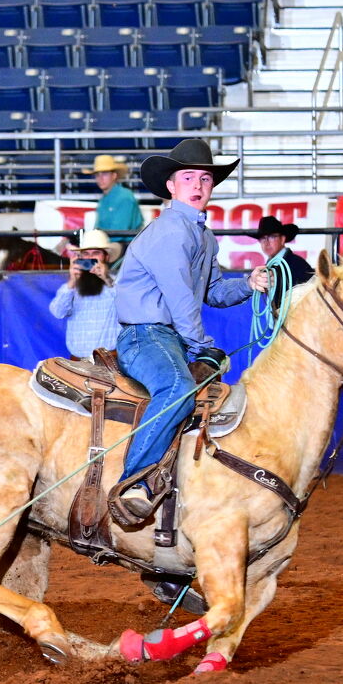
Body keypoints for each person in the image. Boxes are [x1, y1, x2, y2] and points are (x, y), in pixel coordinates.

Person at [108, 139, 270, 524]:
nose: (198, 185)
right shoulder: (171, 232)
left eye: (205, 178)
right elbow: (181, 299)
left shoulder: (202, 235)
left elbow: (212, 291)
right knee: (178, 388)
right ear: (171, 186)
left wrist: (249, 283)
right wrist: (204, 346)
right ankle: (134, 482)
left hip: (169, 339)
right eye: (188, 177)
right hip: (145, 335)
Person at [47, 227, 122, 359]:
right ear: (80, 258)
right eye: (86, 254)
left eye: (96, 253)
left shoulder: (117, 283)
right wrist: (71, 281)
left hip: (110, 361)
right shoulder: (72, 287)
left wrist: (106, 279)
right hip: (77, 362)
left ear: (107, 257)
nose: (91, 257)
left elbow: (127, 305)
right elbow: (58, 312)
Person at [253, 214, 313, 321]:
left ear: (282, 239)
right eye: (263, 238)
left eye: (272, 237)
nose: (267, 242)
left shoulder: (297, 265)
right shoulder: (270, 265)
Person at [90, 153, 145, 243]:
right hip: (110, 243)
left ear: (114, 175)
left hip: (126, 245)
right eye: (97, 175)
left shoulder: (125, 197)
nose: (100, 178)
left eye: (104, 174)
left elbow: (118, 233)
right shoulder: (104, 199)